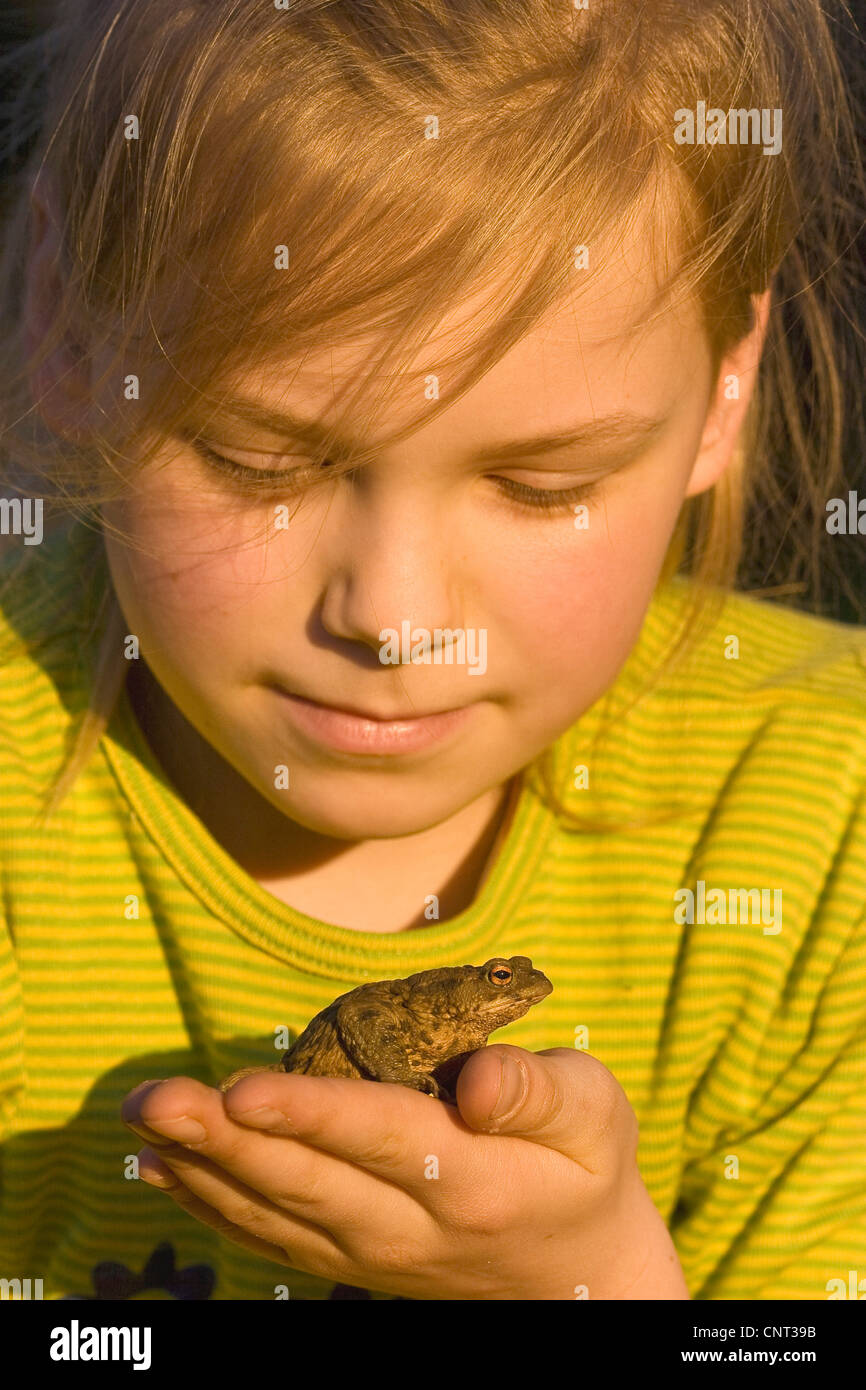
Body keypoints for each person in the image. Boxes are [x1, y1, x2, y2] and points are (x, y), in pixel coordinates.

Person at [0, 0, 864, 1302]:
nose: (394, 616)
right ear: (67, 326)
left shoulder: (828, 831)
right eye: (261, 461)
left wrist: (593, 1282)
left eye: (538, 482)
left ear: (722, 385)